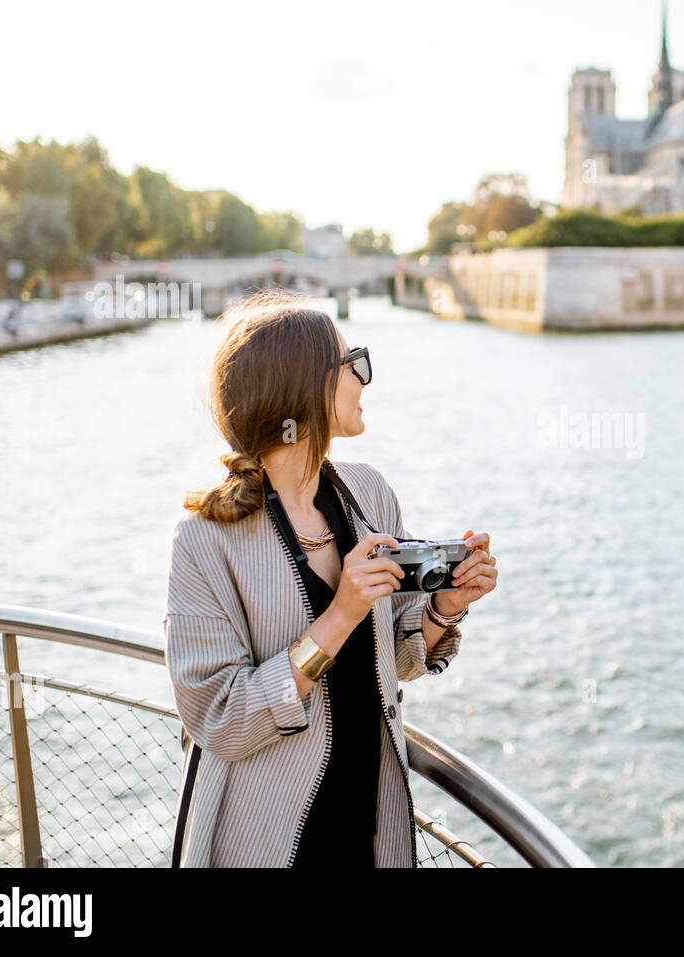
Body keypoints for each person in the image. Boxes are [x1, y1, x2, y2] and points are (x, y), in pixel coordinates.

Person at [164, 290, 497, 867]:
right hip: (263, 838)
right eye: (354, 364)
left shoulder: (368, 493)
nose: (365, 380)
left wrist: (446, 608)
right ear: (306, 386)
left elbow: (391, 661)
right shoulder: (205, 537)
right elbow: (218, 718)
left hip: (370, 824)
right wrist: (340, 615)